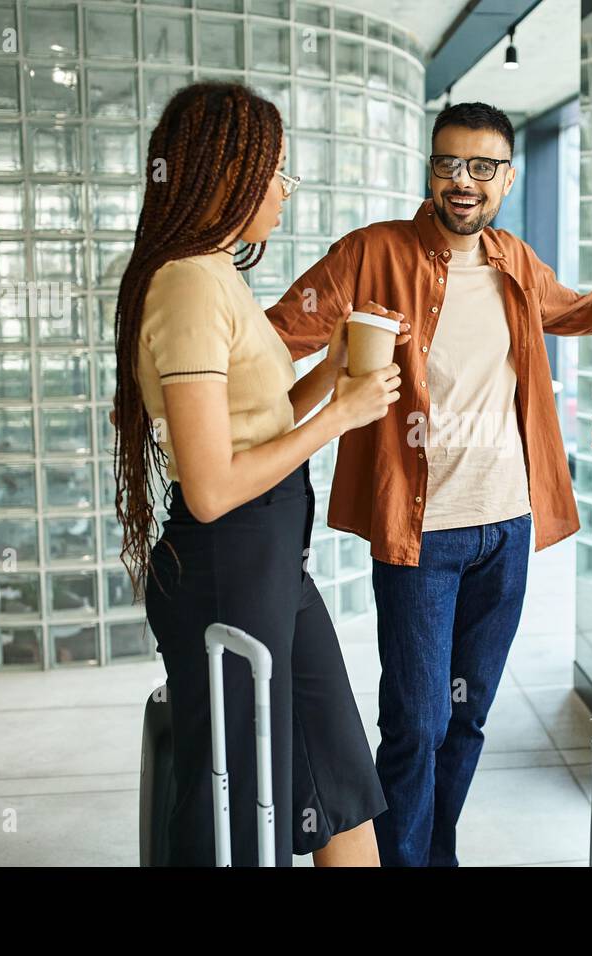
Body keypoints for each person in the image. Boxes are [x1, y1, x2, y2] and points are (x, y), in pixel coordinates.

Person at [267, 102, 592, 866]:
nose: (462, 182)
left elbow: (579, 309)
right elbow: (275, 338)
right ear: (430, 169)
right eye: (447, 164)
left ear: (507, 177)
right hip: (419, 532)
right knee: (417, 723)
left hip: (508, 527)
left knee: (467, 720)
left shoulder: (515, 260)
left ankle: (437, 854)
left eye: (481, 167)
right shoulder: (370, 254)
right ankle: (402, 859)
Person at [111, 82, 410, 867]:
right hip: (228, 567)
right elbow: (210, 488)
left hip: (274, 562)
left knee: (342, 784)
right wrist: (338, 419)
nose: (284, 190)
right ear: (230, 174)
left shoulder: (213, 274)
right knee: (241, 815)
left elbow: (261, 414)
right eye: (277, 172)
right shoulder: (185, 283)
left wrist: (336, 368)